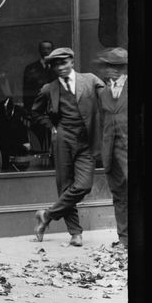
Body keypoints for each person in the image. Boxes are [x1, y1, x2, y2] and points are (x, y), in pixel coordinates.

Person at [30, 47, 105, 247]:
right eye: (56, 65)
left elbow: (107, 97)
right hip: (63, 139)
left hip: (86, 140)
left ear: (72, 61)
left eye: (64, 63)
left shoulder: (90, 79)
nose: (61, 68)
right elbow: (35, 113)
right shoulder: (49, 89)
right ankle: (75, 233)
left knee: (83, 186)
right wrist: (52, 127)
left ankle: (46, 215)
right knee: (65, 186)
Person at [95, 47, 128, 249]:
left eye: (118, 67)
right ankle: (124, 239)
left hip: (131, 152)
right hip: (110, 153)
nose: (113, 70)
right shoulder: (104, 93)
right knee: (119, 195)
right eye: (109, 66)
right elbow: (102, 122)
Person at [22, 40, 56, 109]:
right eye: (43, 49)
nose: (46, 51)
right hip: (37, 107)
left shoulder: (57, 68)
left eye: (48, 48)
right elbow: (26, 91)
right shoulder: (30, 68)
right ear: (39, 50)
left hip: (54, 107)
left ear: (52, 50)